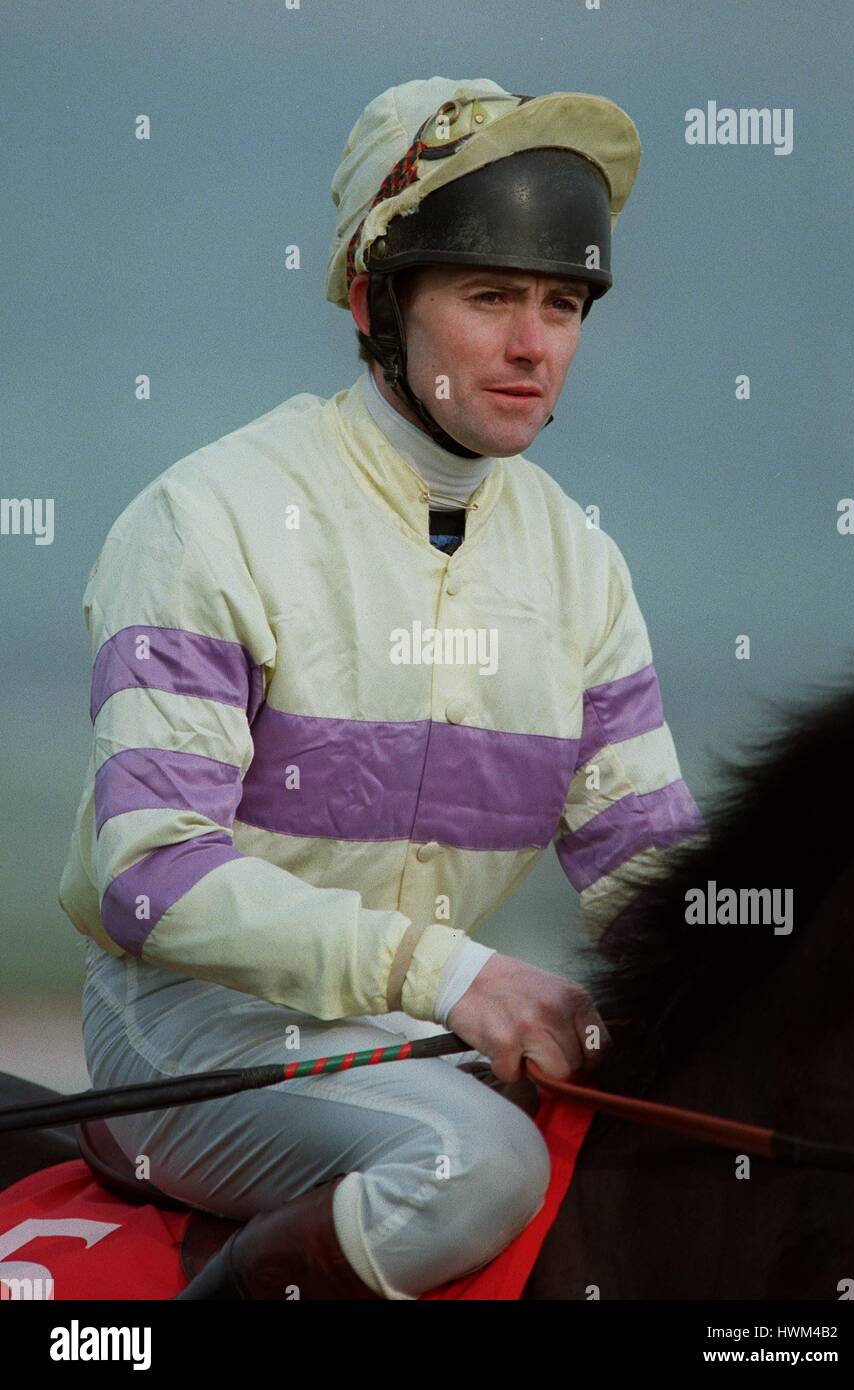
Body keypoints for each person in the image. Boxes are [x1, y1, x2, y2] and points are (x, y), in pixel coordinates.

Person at [58, 77, 704, 1300]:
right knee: (481, 1163)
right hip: (187, 1033)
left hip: (406, 1040)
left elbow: (648, 881)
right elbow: (149, 873)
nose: (532, 345)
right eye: (490, 296)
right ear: (375, 301)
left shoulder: (585, 567)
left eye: (562, 304)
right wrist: (457, 974)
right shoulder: (206, 520)